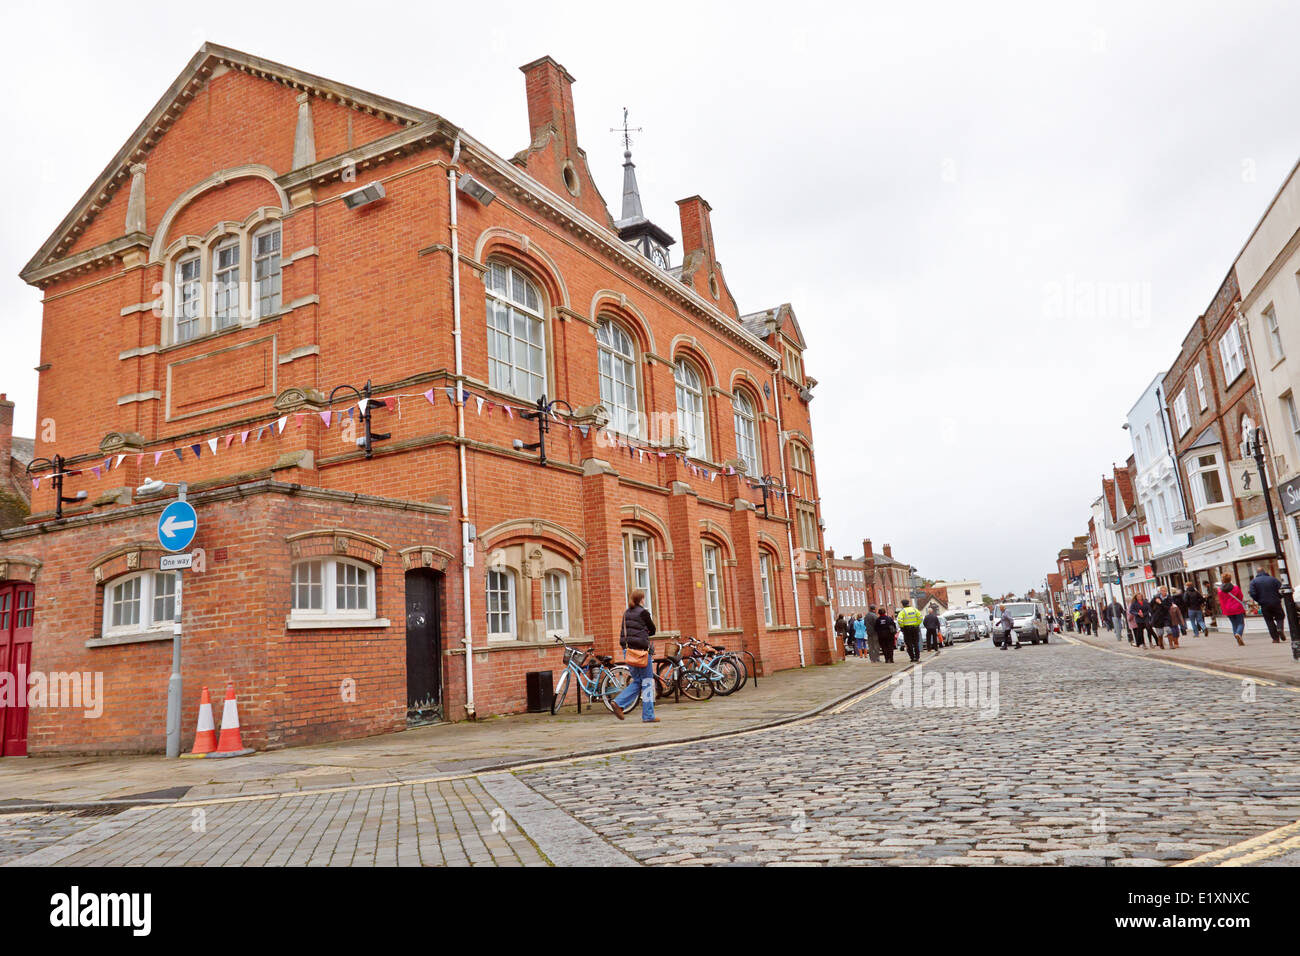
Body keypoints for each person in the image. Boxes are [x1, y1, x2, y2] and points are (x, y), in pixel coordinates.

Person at [612, 589, 658, 722]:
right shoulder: (643, 612)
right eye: (643, 598)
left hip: (628, 651)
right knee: (647, 682)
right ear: (641, 599)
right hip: (642, 652)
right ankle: (648, 715)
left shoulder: (626, 613)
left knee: (638, 680)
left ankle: (619, 703)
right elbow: (653, 630)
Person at [1248, 568, 1286, 644]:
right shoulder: (1273, 579)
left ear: (1257, 573)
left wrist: (1258, 600)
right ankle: (1279, 628)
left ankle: (1275, 639)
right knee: (1280, 616)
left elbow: (1252, 593)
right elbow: (1282, 589)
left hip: (1264, 604)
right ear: (1265, 572)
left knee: (1269, 621)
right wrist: (1279, 597)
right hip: (1275, 602)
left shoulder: (1253, 582)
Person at [1218, 573, 1247, 646]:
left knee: (1234, 624)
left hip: (1228, 609)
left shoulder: (1220, 590)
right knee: (1241, 623)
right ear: (1230, 579)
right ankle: (1238, 634)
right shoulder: (1235, 587)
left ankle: (1237, 638)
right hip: (1237, 608)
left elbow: (1221, 600)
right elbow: (1240, 597)